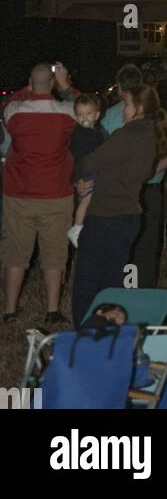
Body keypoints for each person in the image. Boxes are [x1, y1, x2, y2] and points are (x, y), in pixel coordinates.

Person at [72, 85, 167, 327]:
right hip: (128, 217)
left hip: (105, 215)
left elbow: (91, 162)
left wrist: (76, 176)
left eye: (126, 104)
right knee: (112, 280)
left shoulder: (127, 135)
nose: (123, 110)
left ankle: (85, 333)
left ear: (138, 108)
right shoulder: (153, 137)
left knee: (87, 281)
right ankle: (109, 331)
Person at [1, 62, 77, 330]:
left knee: (16, 252)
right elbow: (88, 111)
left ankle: (10, 310)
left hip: (19, 192)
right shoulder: (66, 113)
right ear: (54, 84)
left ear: (30, 83)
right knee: (55, 253)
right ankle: (53, 310)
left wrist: (30, 87)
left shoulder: (15, 113)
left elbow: (11, 102)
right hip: (56, 193)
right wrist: (65, 86)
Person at [101, 65, 167, 288]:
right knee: (146, 244)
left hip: (124, 190)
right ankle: (142, 288)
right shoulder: (157, 115)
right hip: (149, 190)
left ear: (119, 88)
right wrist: (156, 167)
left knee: (123, 242)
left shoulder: (110, 116)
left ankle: (123, 288)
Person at [67, 94, 106, 247]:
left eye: (88, 114)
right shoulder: (83, 134)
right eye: (80, 114)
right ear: (75, 116)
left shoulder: (95, 131)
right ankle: (77, 227)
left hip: (90, 171)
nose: (84, 117)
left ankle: (81, 228)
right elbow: (78, 157)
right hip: (87, 172)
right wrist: (78, 178)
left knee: (88, 202)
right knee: (86, 200)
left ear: (97, 115)